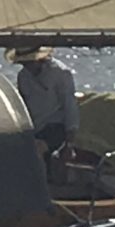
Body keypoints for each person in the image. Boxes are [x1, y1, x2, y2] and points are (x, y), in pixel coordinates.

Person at [5, 39, 84, 186]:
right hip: (35, 127)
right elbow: (24, 107)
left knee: (37, 149)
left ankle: (43, 188)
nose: (27, 67)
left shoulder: (60, 73)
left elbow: (69, 106)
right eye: (24, 63)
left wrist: (70, 142)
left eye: (29, 62)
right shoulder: (23, 77)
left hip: (56, 126)